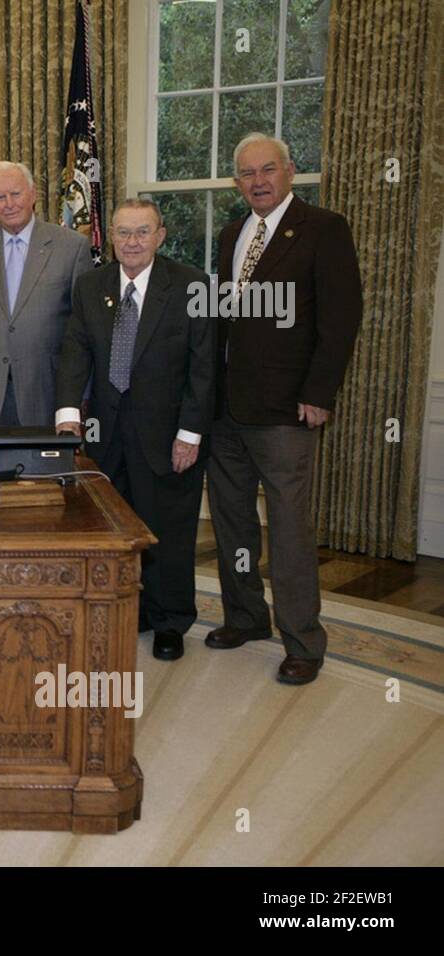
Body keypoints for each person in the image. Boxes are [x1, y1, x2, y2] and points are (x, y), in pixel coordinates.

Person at [206, 132, 362, 686]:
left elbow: (341, 319)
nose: (257, 182)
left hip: (287, 410)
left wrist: (319, 393)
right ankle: (245, 616)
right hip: (227, 409)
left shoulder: (324, 229)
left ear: (290, 170)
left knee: (290, 529)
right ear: (236, 181)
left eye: (267, 170)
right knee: (232, 521)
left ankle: (302, 640)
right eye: (246, 174)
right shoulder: (231, 234)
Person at [56, 199, 214, 661]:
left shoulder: (191, 286)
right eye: (123, 233)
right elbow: (74, 352)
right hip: (106, 435)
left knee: (168, 528)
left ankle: (170, 620)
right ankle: (133, 611)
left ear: (160, 236)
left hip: (167, 436)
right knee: (113, 529)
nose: (131, 242)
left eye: (142, 232)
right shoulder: (91, 286)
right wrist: (68, 414)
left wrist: (190, 434)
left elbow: (204, 370)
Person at [0, 161, 92, 446]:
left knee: (45, 489)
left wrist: (80, 398)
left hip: (45, 395)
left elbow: (84, 330)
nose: (9, 204)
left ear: (33, 194)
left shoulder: (72, 247)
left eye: (16, 194)